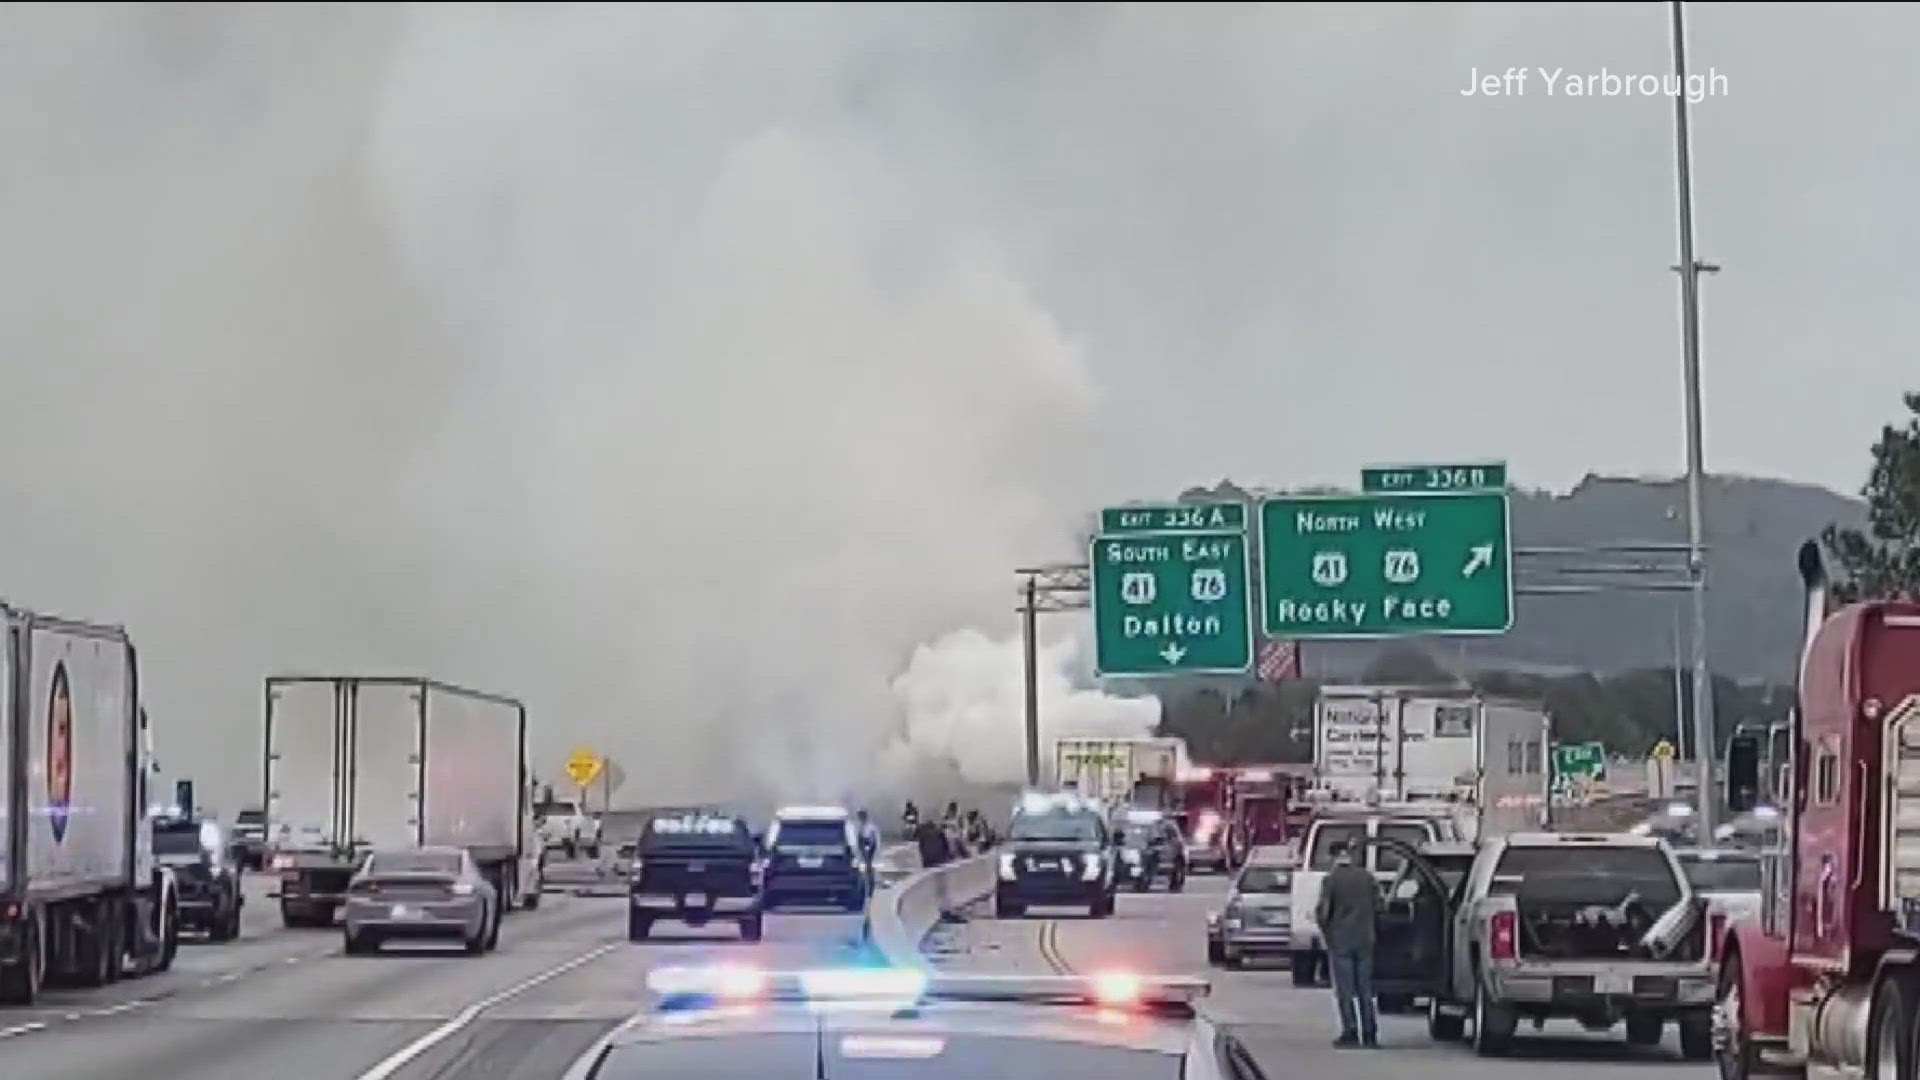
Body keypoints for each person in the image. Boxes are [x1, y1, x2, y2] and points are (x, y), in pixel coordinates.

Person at [1315, 840, 1380, 1049]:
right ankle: (1369, 1034)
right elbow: (1380, 905)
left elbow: (1324, 912)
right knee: (1365, 989)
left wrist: (1325, 930)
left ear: (1333, 856)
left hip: (1341, 940)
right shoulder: (1367, 878)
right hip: (1365, 939)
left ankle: (1350, 1032)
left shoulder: (1331, 880)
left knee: (1345, 990)